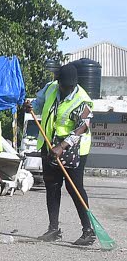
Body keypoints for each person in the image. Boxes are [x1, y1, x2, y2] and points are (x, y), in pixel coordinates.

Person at [25, 63, 95, 246]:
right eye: (64, 86)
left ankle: (88, 231)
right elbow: (38, 105)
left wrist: (62, 146)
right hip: (49, 145)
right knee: (52, 186)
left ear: (75, 84)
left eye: (70, 86)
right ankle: (54, 229)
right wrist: (30, 105)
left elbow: (84, 127)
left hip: (74, 149)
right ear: (59, 82)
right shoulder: (50, 88)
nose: (67, 89)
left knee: (75, 188)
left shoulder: (82, 100)